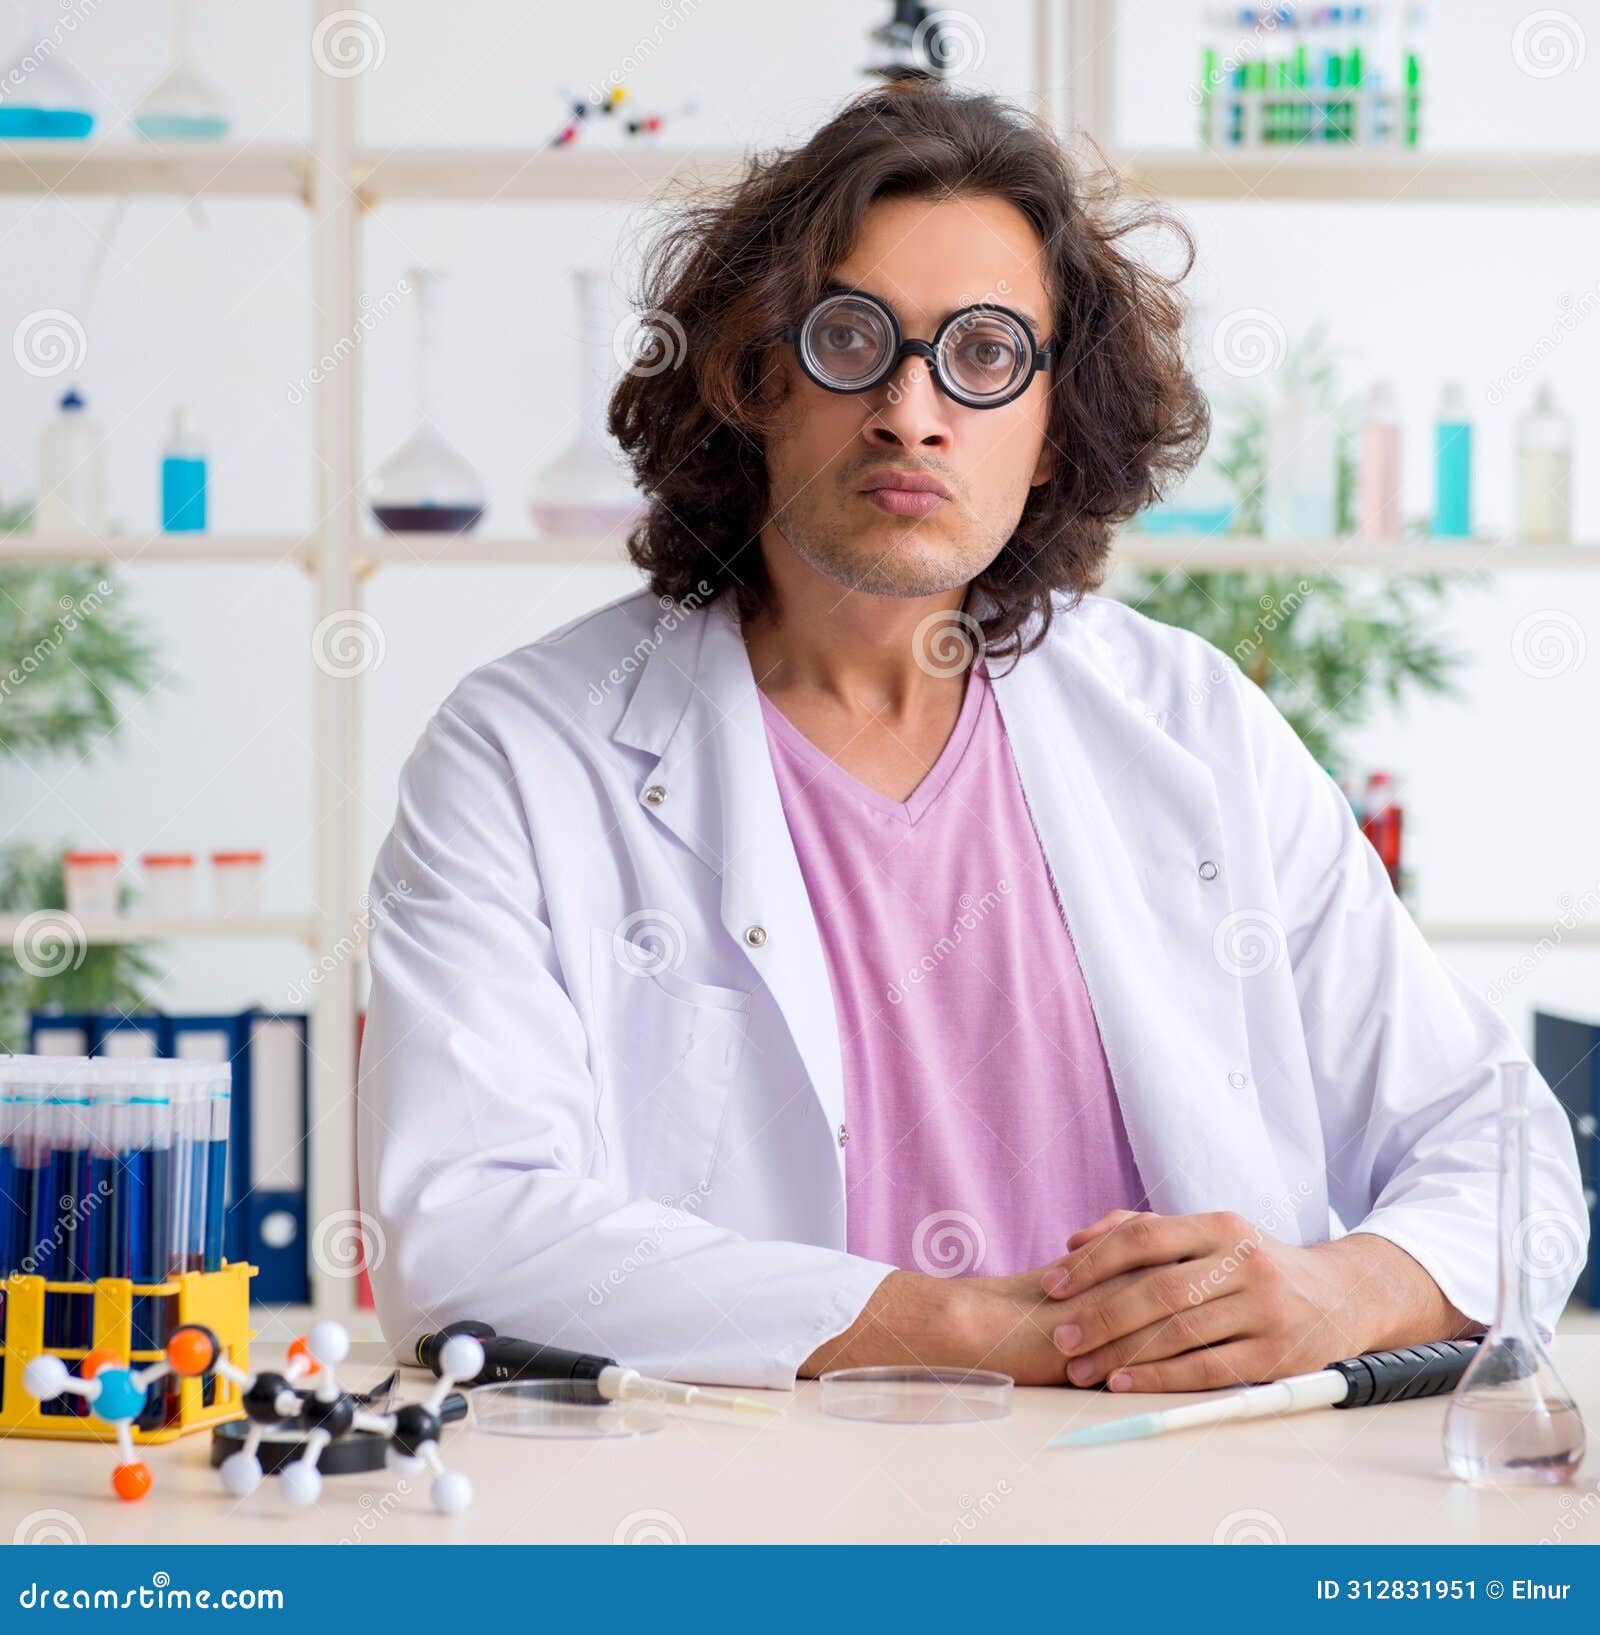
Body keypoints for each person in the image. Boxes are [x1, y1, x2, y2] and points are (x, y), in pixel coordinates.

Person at [357, 82, 1585, 1391]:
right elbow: (463, 1233)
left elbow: (1506, 1155)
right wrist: (967, 1332)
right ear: (754, 382)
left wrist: (1337, 1293)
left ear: (1054, 432)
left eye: (985, 355)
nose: (911, 410)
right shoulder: (522, 753)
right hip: (753, 1528)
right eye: (849, 338)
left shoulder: (1193, 726)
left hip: (1177, 1510)